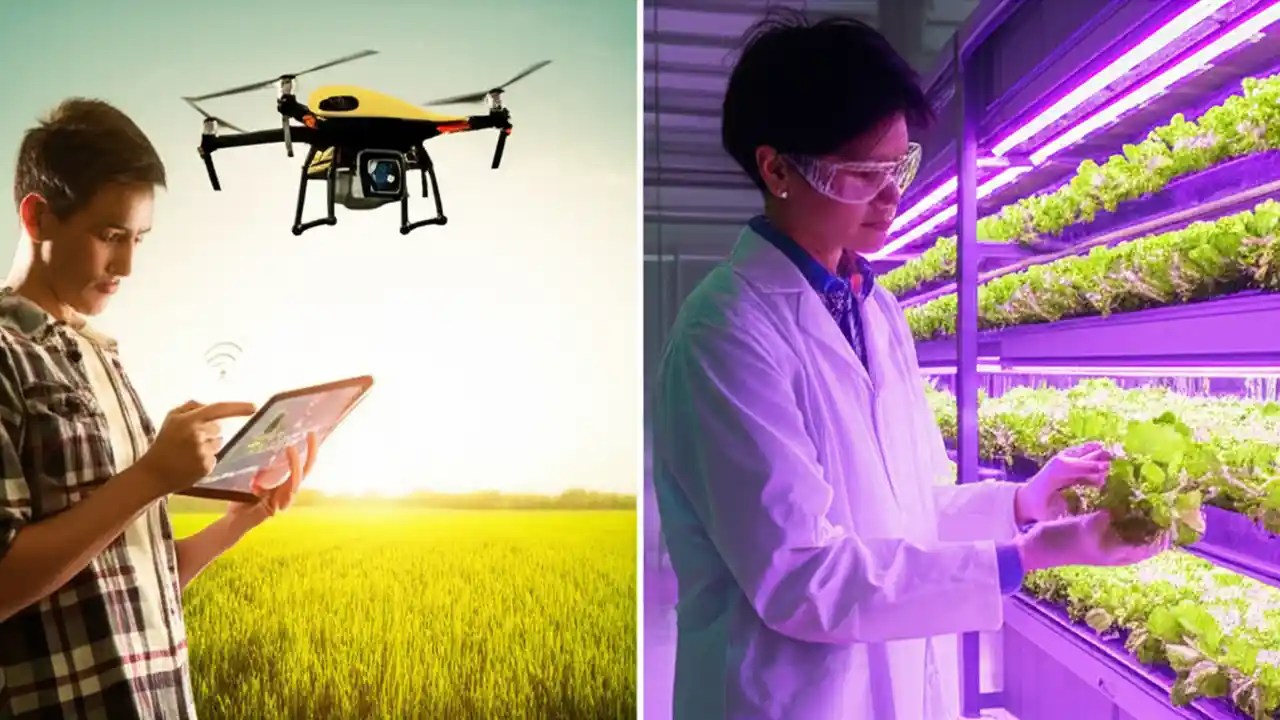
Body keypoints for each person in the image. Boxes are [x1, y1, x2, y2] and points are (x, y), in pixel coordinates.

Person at [650, 12, 1169, 720]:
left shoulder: (875, 309)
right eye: (863, 174)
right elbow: (803, 577)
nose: (893, 194)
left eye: (900, 166)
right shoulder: (726, 333)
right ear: (776, 169)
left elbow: (910, 507)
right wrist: (1034, 554)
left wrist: (1021, 503)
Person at [0, 98, 319, 719]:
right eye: (109, 236)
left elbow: (132, 576)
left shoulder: (102, 358)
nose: (126, 266)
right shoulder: (6, 357)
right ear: (38, 218)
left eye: (139, 239)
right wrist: (151, 476)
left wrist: (240, 522)